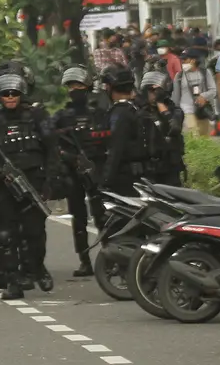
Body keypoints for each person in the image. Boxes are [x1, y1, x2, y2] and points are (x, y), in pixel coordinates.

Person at [0, 72, 59, 299]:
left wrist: (49, 182)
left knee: (35, 233)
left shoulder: (36, 116)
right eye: (5, 94)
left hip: (33, 182)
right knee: (6, 235)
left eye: (14, 93)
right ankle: (13, 281)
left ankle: (37, 267)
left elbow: (52, 150)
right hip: (5, 187)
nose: (10, 97)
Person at [50, 67, 108, 277]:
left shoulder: (100, 113)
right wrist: (69, 158)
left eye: (79, 86)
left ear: (88, 87)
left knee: (102, 216)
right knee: (78, 216)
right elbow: (49, 139)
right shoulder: (62, 116)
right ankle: (84, 260)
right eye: (71, 86)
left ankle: (109, 258)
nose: (75, 90)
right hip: (73, 171)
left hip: (96, 169)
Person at [99, 66, 150, 197]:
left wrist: (105, 181)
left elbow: (115, 149)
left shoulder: (119, 113)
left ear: (110, 87)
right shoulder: (136, 107)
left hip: (124, 178)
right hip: (142, 175)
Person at [173, 49, 216, 137]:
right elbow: (175, 95)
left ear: (194, 60)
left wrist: (203, 96)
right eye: (182, 60)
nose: (183, 62)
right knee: (194, 135)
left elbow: (213, 90)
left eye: (185, 59)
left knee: (204, 137)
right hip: (186, 110)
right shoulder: (179, 75)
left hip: (202, 110)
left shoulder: (205, 72)